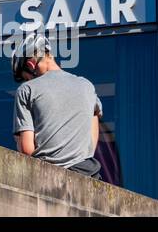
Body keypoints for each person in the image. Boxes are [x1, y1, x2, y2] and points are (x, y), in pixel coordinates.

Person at [10, 33, 104, 180]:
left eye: (26, 77)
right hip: (87, 173)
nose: (27, 81)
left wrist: (19, 142)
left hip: (47, 178)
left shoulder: (27, 90)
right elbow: (90, 145)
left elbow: (27, 150)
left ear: (30, 65)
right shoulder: (87, 86)